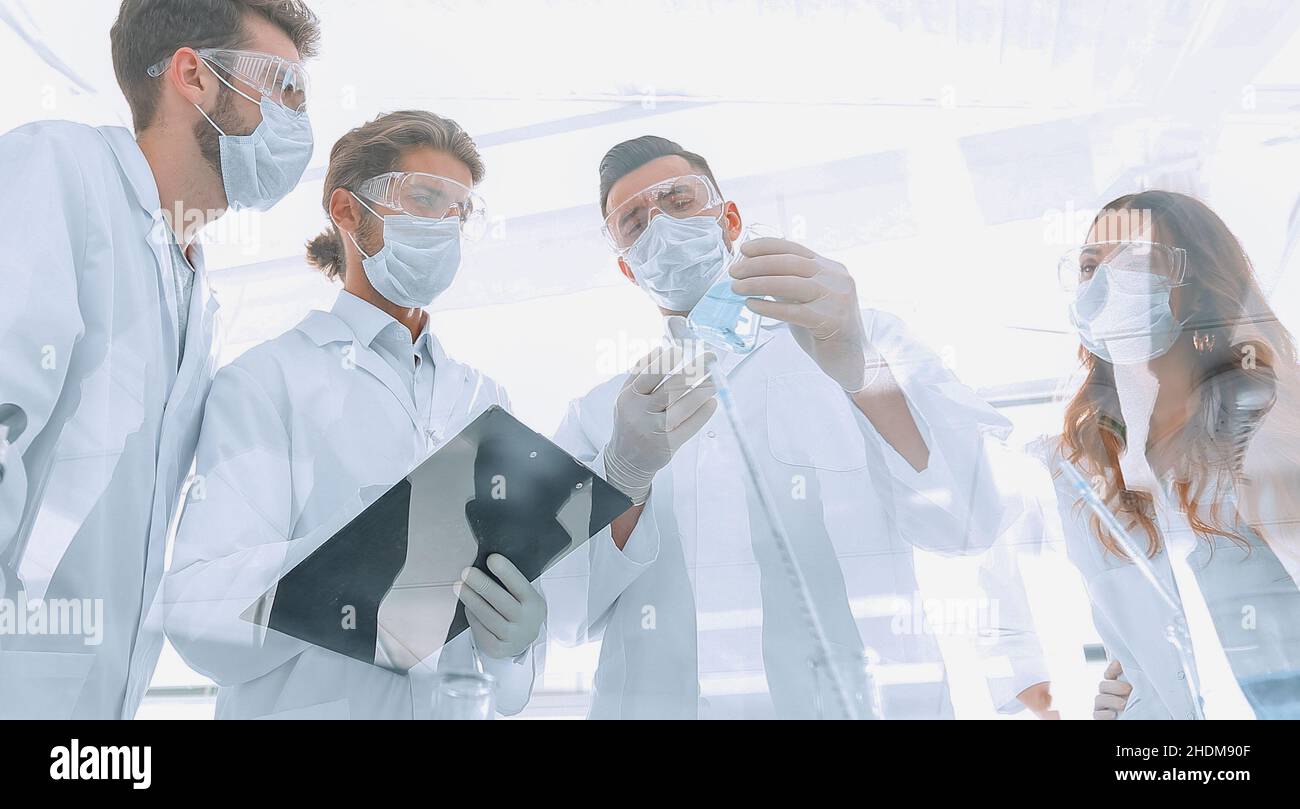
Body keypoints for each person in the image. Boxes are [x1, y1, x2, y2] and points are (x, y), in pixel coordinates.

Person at [544, 135, 1035, 719]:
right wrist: (623, 477)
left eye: (678, 201)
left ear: (728, 219)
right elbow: (561, 610)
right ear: (627, 267)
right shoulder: (599, 415)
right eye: (634, 222)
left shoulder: (861, 335)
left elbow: (969, 522)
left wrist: (860, 367)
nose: (660, 228)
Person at [162, 111, 546, 719]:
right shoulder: (266, 380)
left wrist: (514, 647)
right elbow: (200, 616)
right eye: (424, 198)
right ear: (346, 211)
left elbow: (509, 690)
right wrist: (359, 547)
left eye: (459, 211)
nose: (444, 224)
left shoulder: (484, 398)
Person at [0, 0, 319, 719]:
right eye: (285, 87)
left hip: (95, 712)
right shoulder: (59, 169)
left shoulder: (192, 285)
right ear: (193, 77)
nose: (299, 117)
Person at [1034, 191, 1300, 719]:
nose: (1103, 284)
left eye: (1133, 262)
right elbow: (1138, 641)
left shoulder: (1265, 426)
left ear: (1195, 288)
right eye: (1090, 266)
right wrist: (1131, 694)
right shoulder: (1083, 467)